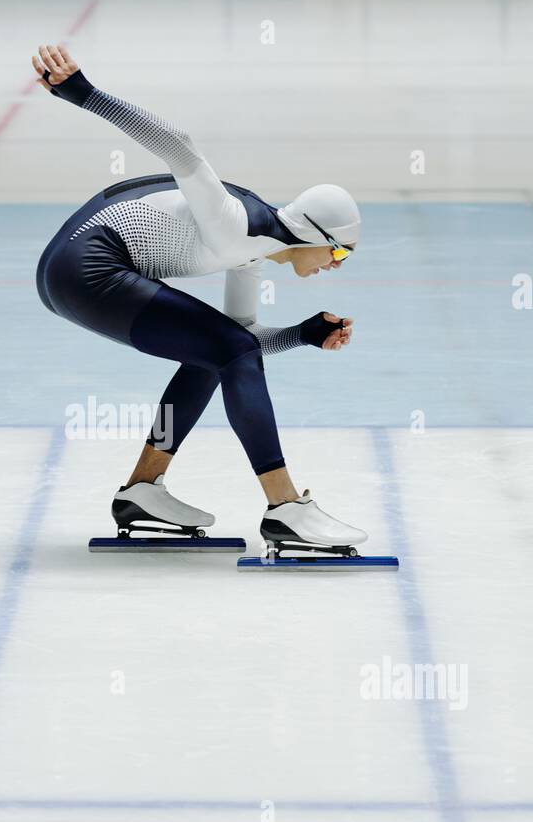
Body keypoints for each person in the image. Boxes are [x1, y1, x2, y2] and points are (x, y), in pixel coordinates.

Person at [33, 44, 368, 551]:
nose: (333, 266)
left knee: (215, 353)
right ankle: (284, 509)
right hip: (85, 268)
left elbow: (244, 341)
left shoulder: (256, 251)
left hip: (72, 272)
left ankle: (142, 490)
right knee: (225, 349)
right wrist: (85, 94)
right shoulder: (238, 225)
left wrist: (303, 334)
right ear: (317, 236)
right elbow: (180, 147)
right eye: (338, 254)